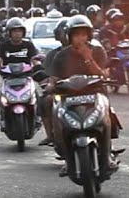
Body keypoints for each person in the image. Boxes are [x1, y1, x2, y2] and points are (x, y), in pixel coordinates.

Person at [48, 15, 120, 174]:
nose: (80, 38)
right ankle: (67, 158)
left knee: (106, 114)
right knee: (57, 115)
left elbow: (102, 74)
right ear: (69, 36)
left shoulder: (98, 51)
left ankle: (107, 155)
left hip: (94, 93)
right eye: (76, 34)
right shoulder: (61, 55)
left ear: (89, 35)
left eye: (83, 34)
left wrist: (88, 57)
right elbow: (54, 78)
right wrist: (50, 85)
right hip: (68, 95)